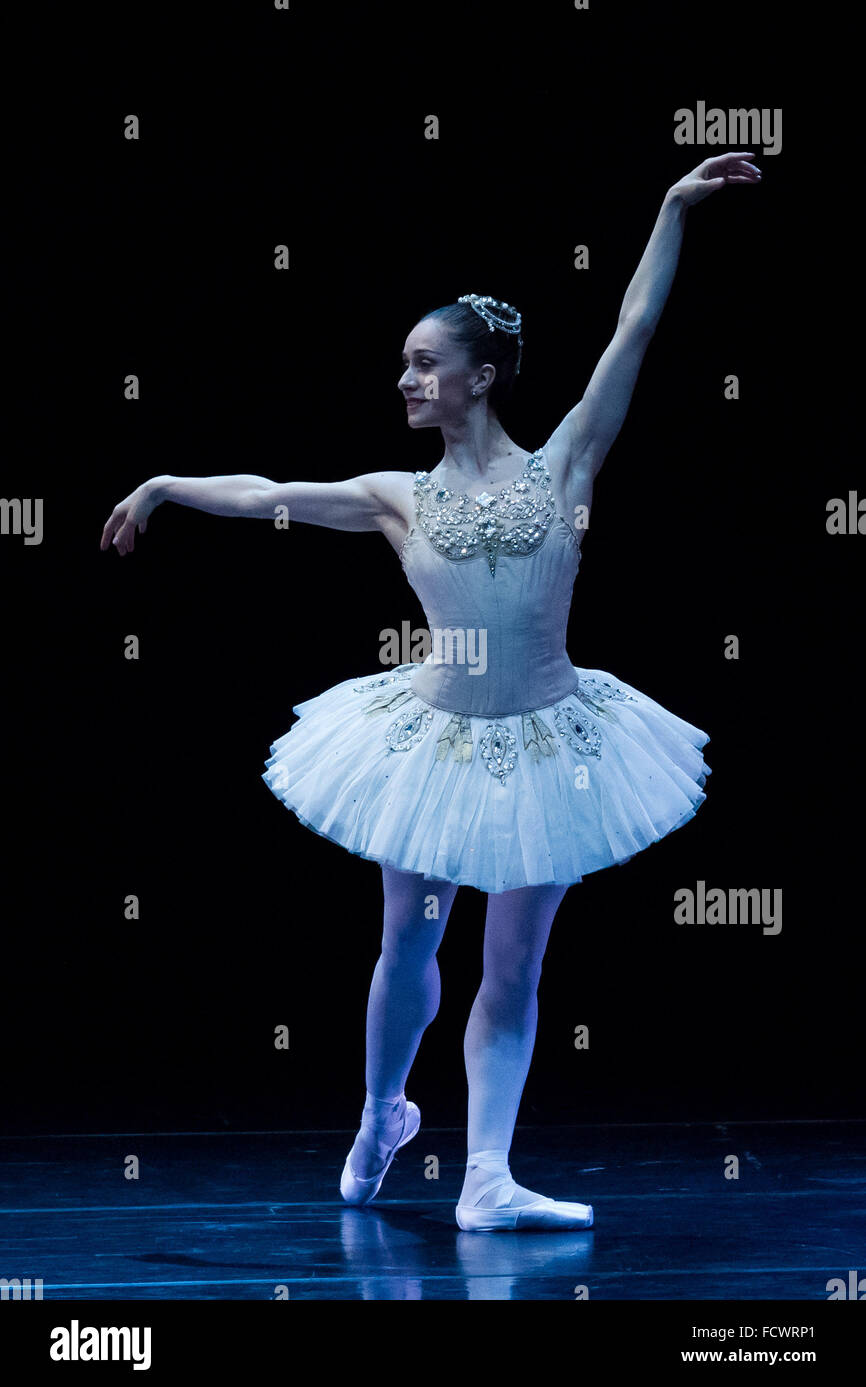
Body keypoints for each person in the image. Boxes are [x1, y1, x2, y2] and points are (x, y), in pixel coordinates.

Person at [101, 152, 761, 1231]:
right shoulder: (393, 496)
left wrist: (669, 207)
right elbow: (268, 492)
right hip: (436, 744)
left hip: (552, 742)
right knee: (409, 941)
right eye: (403, 365)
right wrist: (166, 484)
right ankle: (378, 1113)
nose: (404, 380)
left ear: (480, 374)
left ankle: (486, 1176)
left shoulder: (565, 465)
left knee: (514, 962)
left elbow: (630, 331)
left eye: (421, 363)